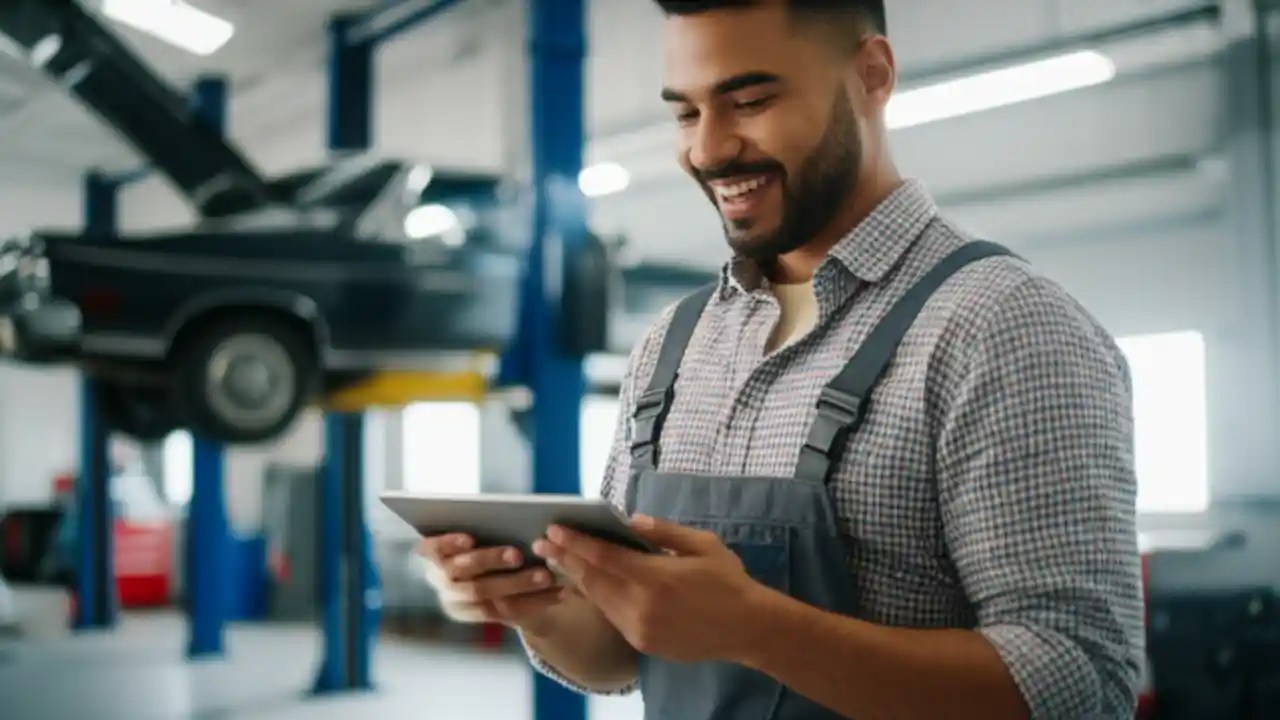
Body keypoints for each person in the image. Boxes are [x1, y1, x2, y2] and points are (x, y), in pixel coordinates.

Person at [417, 1, 1145, 717]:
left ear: (871, 76)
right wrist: (535, 609)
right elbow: (623, 659)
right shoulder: (672, 346)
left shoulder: (1003, 328)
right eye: (686, 113)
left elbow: (1080, 683)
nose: (708, 149)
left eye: (751, 99)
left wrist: (757, 628)